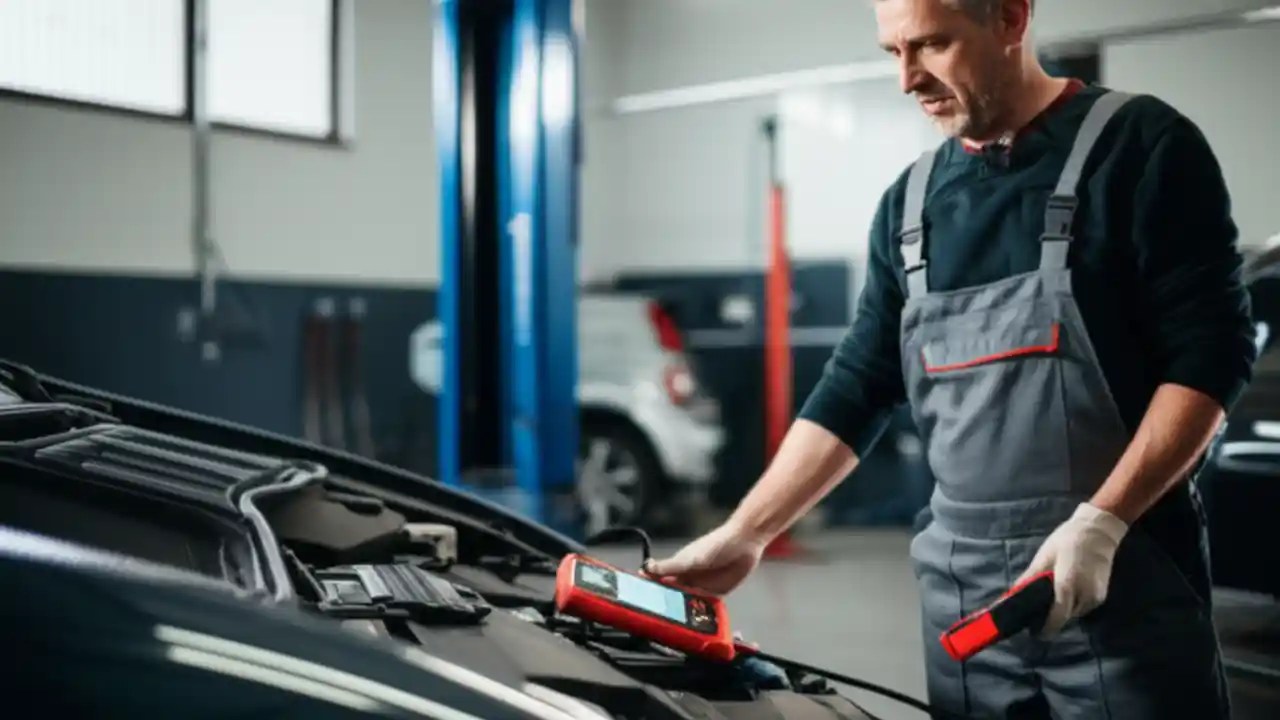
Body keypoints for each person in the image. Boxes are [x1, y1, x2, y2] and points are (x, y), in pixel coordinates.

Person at [644, 0, 1257, 717]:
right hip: (965, 611)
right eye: (892, 52)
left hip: (1119, 584)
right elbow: (858, 385)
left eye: (931, 44)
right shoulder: (909, 205)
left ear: (1010, 19)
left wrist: (1103, 522)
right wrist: (746, 533)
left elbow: (1211, 357)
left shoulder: (1142, 147)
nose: (907, 79)